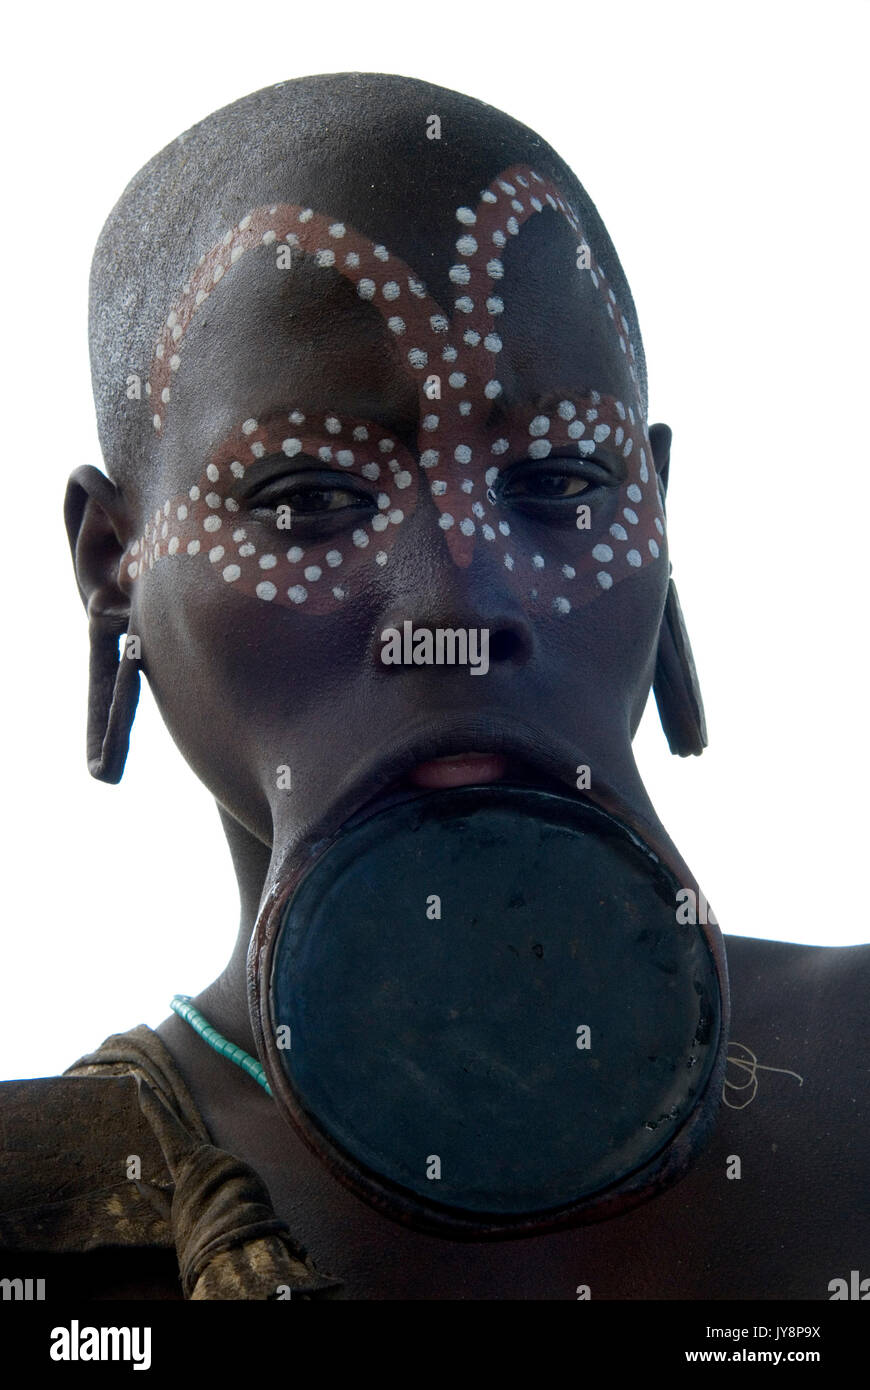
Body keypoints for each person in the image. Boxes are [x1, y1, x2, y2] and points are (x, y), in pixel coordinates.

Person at [1, 72, 866, 1301]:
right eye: (309, 500)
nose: (458, 610)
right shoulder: (54, 1223)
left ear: (660, 520)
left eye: (562, 481)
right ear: (111, 571)